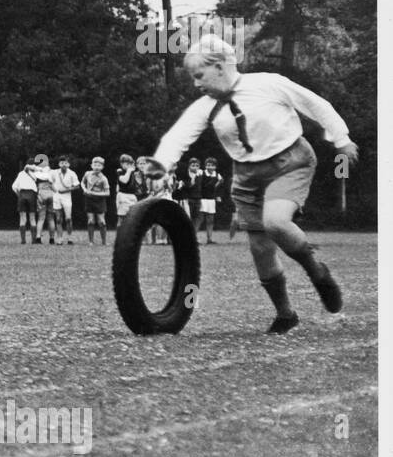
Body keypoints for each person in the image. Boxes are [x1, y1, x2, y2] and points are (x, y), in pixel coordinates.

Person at [144, 35, 356, 334]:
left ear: (219, 67)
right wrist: (162, 162)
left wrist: (342, 139)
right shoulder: (206, 106)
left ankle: (316, 270)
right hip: (246, 176)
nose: (196, 84)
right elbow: (179, 136)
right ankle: (286, 314)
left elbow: (315, 104)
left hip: (290, 161)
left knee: (276, 223)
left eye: (199, 76)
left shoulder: (268, 84)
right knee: (260, 249)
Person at [51, 155, 80, 245]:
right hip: (57, 197)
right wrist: (55, 190)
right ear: (59, 164)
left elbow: (77, 186)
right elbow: (50, 183)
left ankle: (70, 237)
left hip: (67, 197)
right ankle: (59, 238)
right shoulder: (54, 172)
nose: (64, 165)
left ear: (69, 164)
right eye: (62, 163)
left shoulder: (72, 173)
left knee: (68, 218)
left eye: (66, 163)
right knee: (58, 219)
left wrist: (66, 190)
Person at [81, 156, 110, 245]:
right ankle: (91, 241)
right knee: (90, 221)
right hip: (89, 200)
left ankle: (104, 242)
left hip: (100, 201)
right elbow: (82, 182)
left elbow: (107, 193)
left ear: (102, 167)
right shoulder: (87, 174)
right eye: (95, 165)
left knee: (102, 222)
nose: (97, 167)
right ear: (91, 165)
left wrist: (94, 194)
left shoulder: (103, 178)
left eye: (99, 165)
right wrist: (84, 189)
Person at [11, 157, 39, 244]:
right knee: (32, 218)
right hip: (32, 194)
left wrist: (19, 195)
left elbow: (14, 187)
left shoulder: (21, 174)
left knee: (22, 218)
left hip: (22, 194)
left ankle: (23, 240)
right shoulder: (36, 174)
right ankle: (33, 240)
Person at [30, 153, 56, 244]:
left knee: (41, 218)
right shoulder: (52, 173)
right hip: (51, 194)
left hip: (41, 194)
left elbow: (27, 169)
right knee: (51, 218)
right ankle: (52, 239)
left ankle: (38, 238)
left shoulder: (37, 174)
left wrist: (34, 167)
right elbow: (54, 186)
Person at [199, 157, 223, 245]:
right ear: (205, 166)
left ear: (215, 167)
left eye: (212, 165)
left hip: (211, 200)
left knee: (210, 220)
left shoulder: (217, 175)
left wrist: (217, 195)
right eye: (208, 165)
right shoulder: (201, 173)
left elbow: (219, 185)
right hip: (202, 199)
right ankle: (194, 239)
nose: (210, 167)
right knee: (199, 219)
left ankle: (209, 238)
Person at [115, 154, 144, 224]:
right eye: (127, 164)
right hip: (123, 196)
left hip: (132, 196)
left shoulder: (132, 173)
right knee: (121, 218)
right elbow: (124, 181)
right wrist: (129, 171)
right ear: (121, 164)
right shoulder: (120, 172)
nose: (129, 166)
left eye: (130, 164)